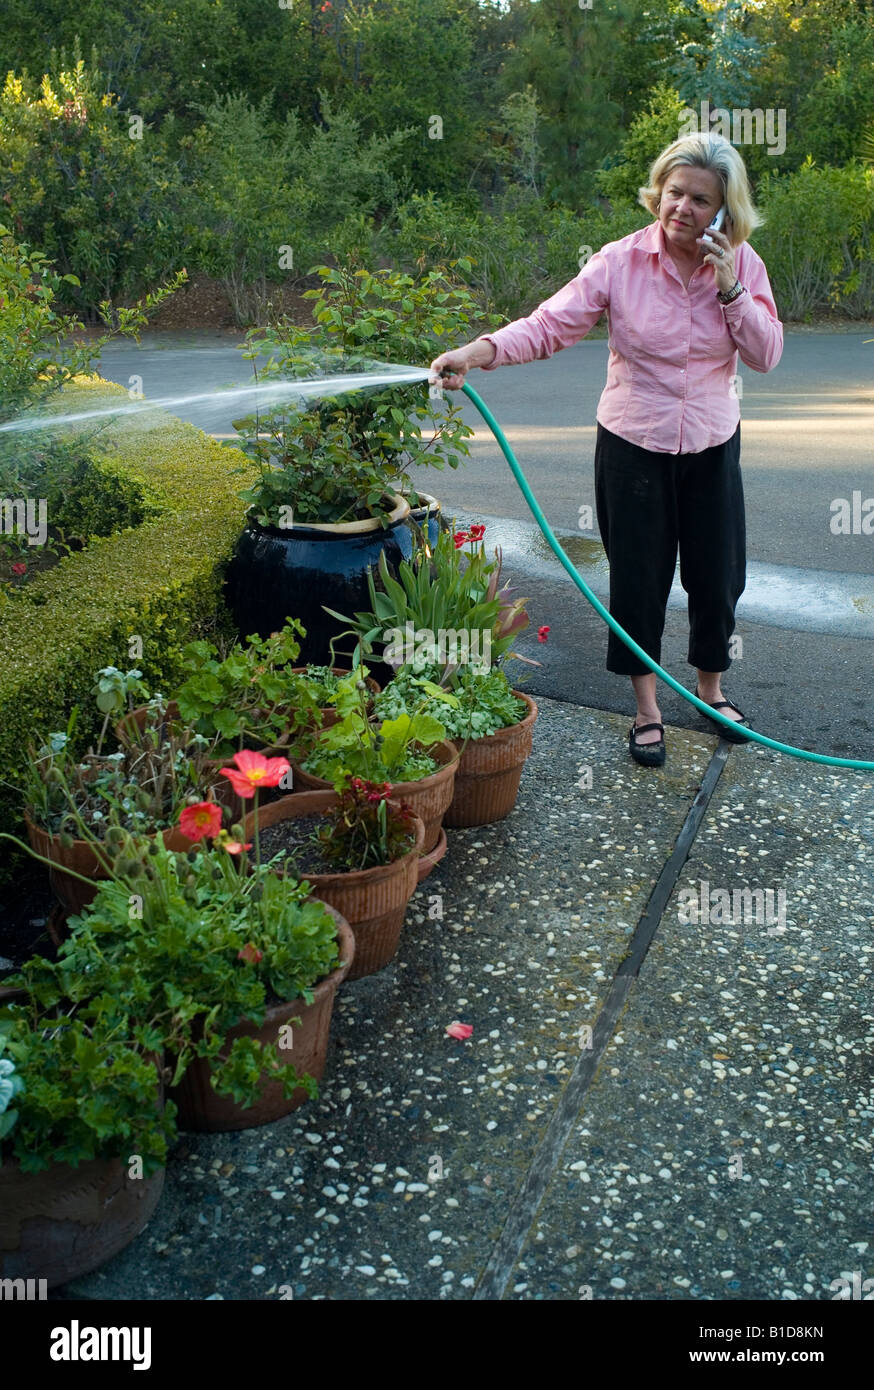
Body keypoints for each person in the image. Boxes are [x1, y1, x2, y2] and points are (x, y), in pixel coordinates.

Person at [429, 131, 783, 767]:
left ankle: (711, 692)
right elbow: (549, 324)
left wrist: (730, 287)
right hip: (632, 445)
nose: (684, 208)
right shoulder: (618, 262)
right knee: (639, 578)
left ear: (726, 210)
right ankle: (647, 708)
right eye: (675, 192)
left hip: (710, 443)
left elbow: (766, 355)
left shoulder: (744, 264)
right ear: (657, 195)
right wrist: (475, 353)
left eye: (702, 200)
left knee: (717, 576)